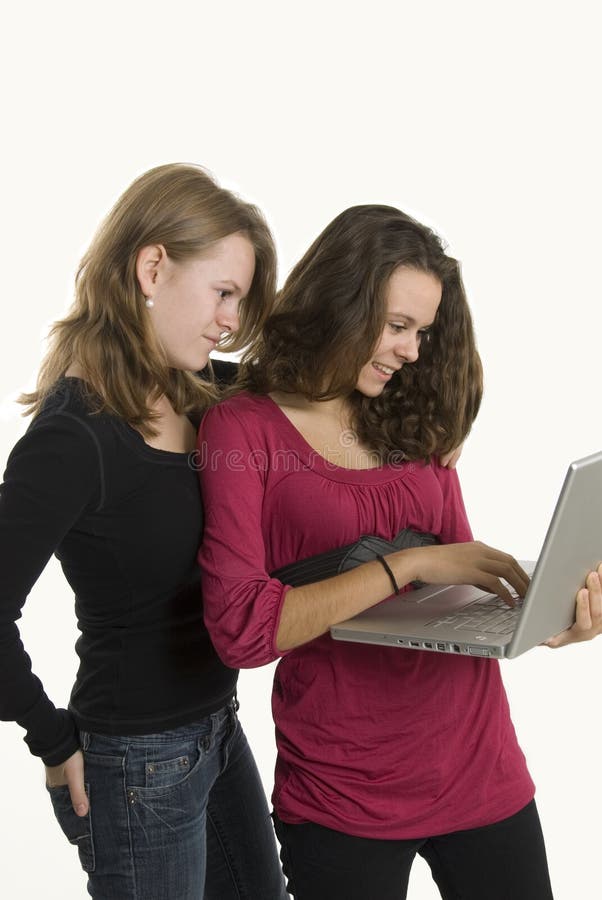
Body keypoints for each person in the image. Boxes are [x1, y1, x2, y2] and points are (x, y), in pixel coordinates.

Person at [197, 204, 602, 900]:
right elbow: (241, 631)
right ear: (340, 303)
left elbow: (453, 588)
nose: (413, 350)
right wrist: (406, 564)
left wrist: (547, 615)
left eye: (423, 331)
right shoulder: (242, 430)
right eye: (396, 326)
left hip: (481, 769)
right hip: (343, 789)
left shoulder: (413, 416)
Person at [0, 163, 288, 899]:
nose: (231, 320)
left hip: (219, 733)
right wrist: (49, 734)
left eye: (240, 301)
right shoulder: (75, 438)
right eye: (224, 293)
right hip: (135, 766)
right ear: (152, 266)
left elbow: (314, 378)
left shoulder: (203, 394)